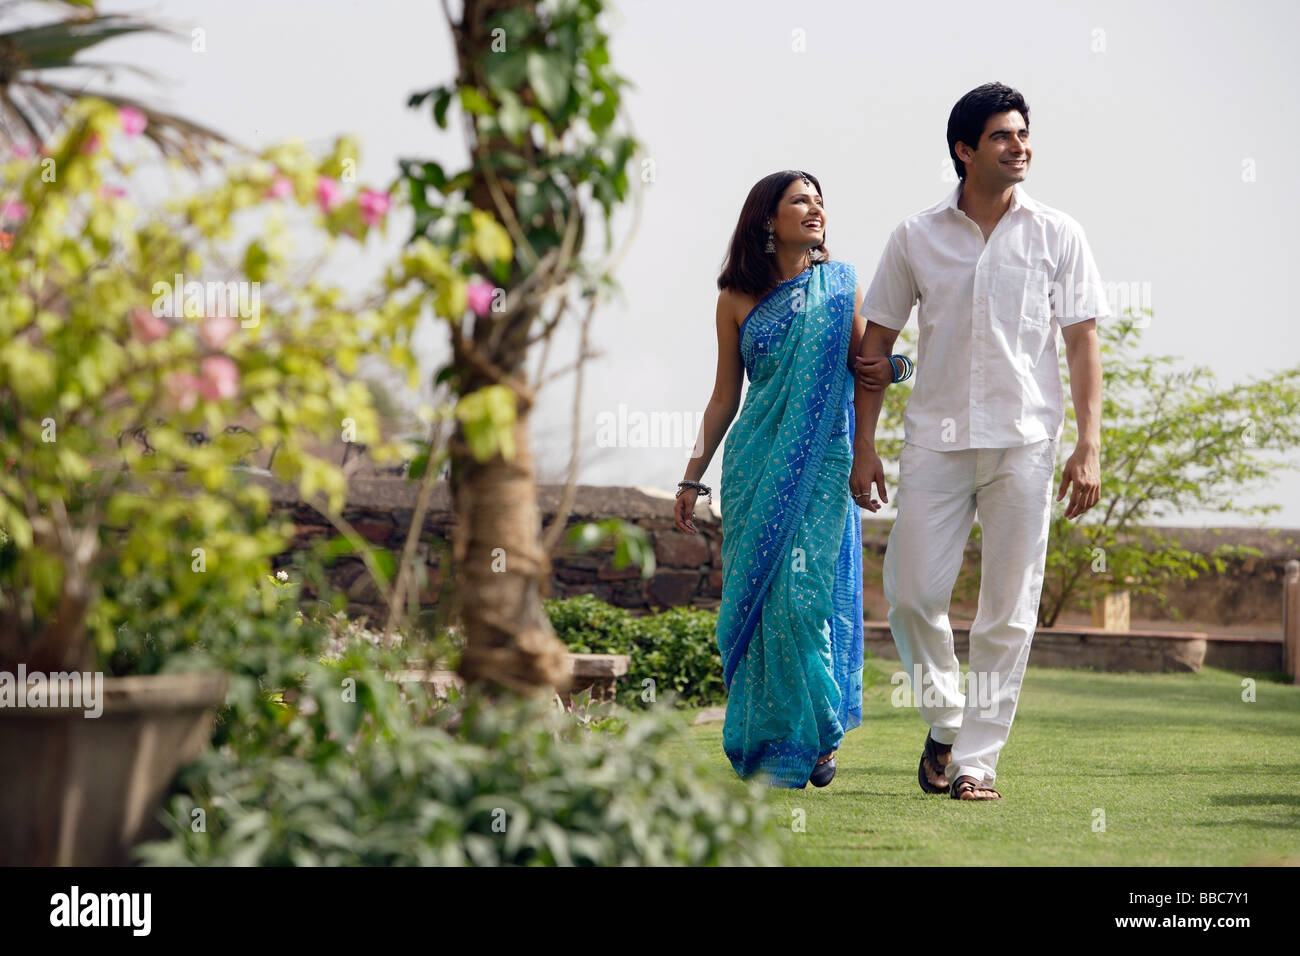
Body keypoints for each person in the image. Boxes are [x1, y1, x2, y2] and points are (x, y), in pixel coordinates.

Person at [852, 83, 1108, 800]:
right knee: (910, 594)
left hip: (1026, 443)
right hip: (935, 440)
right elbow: (876, 344)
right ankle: (946, 717)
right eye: (1001, 135)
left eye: (1023, 133)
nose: (1018, 146)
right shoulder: (914, 236)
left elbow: (1083, 344)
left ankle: (975, 764)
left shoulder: (1059, 232)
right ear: (964, 150)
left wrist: (1088, 447)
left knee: (1008, 611)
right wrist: (863, 446)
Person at [673, 170, 908, 789]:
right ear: (766, 220)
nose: (816, 209)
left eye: (820, 199)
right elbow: (725, 397)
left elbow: (866, 370)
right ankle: (774, 746)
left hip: (825, 460)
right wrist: (691, 478)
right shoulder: (734, 299)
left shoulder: (841, 288)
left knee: (806, 600)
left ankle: (822, 733)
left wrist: (870, 441)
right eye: (800, 200)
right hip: (756, 463)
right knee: (763, 604)